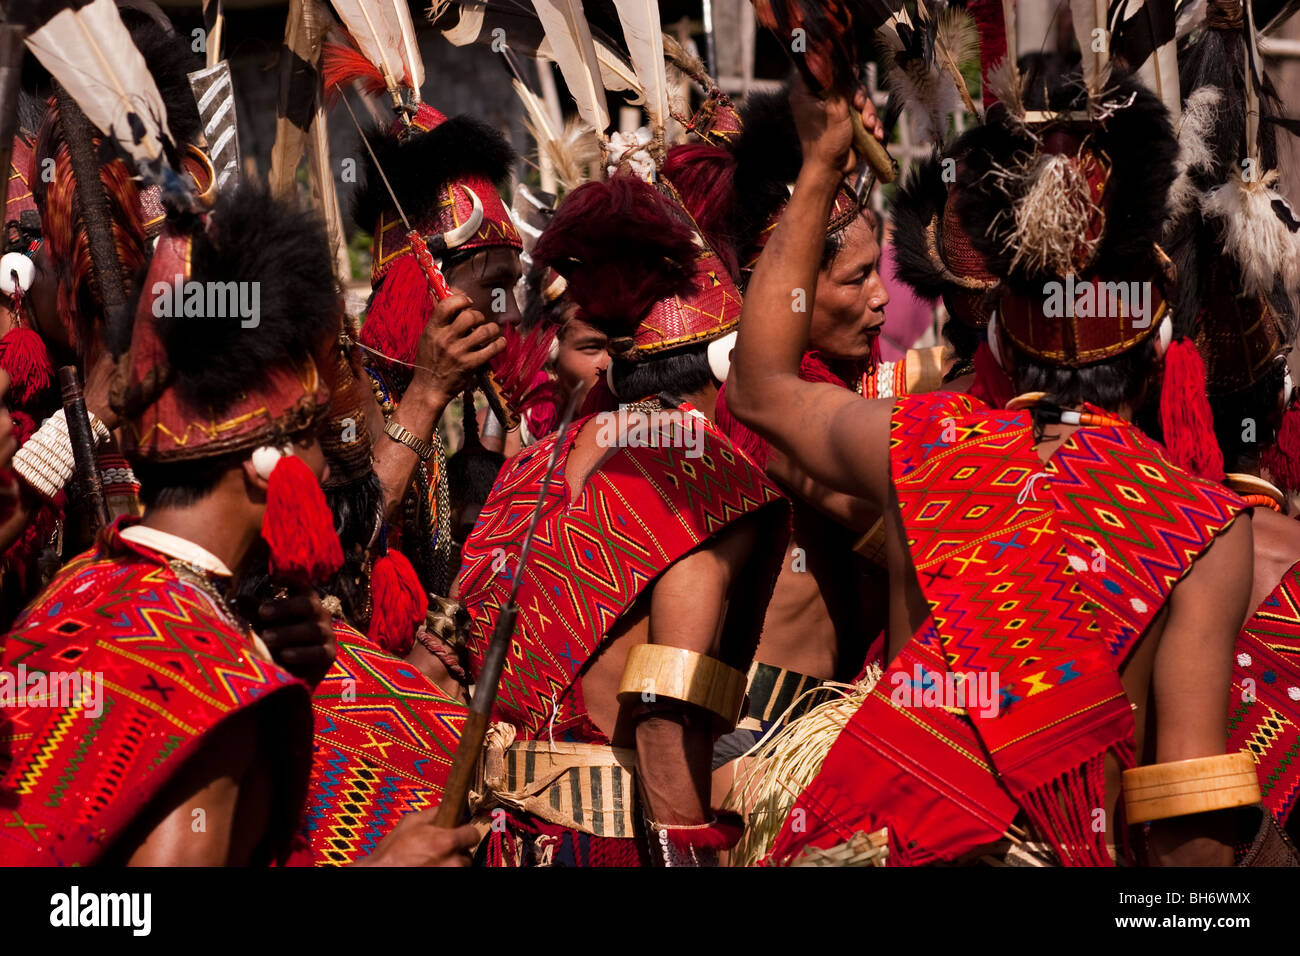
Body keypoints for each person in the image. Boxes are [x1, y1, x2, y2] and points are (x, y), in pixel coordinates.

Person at [726, 68, 1255, 867]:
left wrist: (822, 164)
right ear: (1157, 347)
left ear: (1001, 338)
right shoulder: (1201, 525)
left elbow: (759, 382)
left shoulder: (918, 444)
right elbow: (1188, 839)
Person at [0, 186, 474, 866]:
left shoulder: (78, 589)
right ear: (265, 464)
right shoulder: (209, 681)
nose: (326, 466)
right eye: (310, 437)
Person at [456, 173, 789, 866]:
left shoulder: (538, 459)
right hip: (603, 843)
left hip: (499, 835)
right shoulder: (701, 475)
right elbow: (664, 716)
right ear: (729, 364)